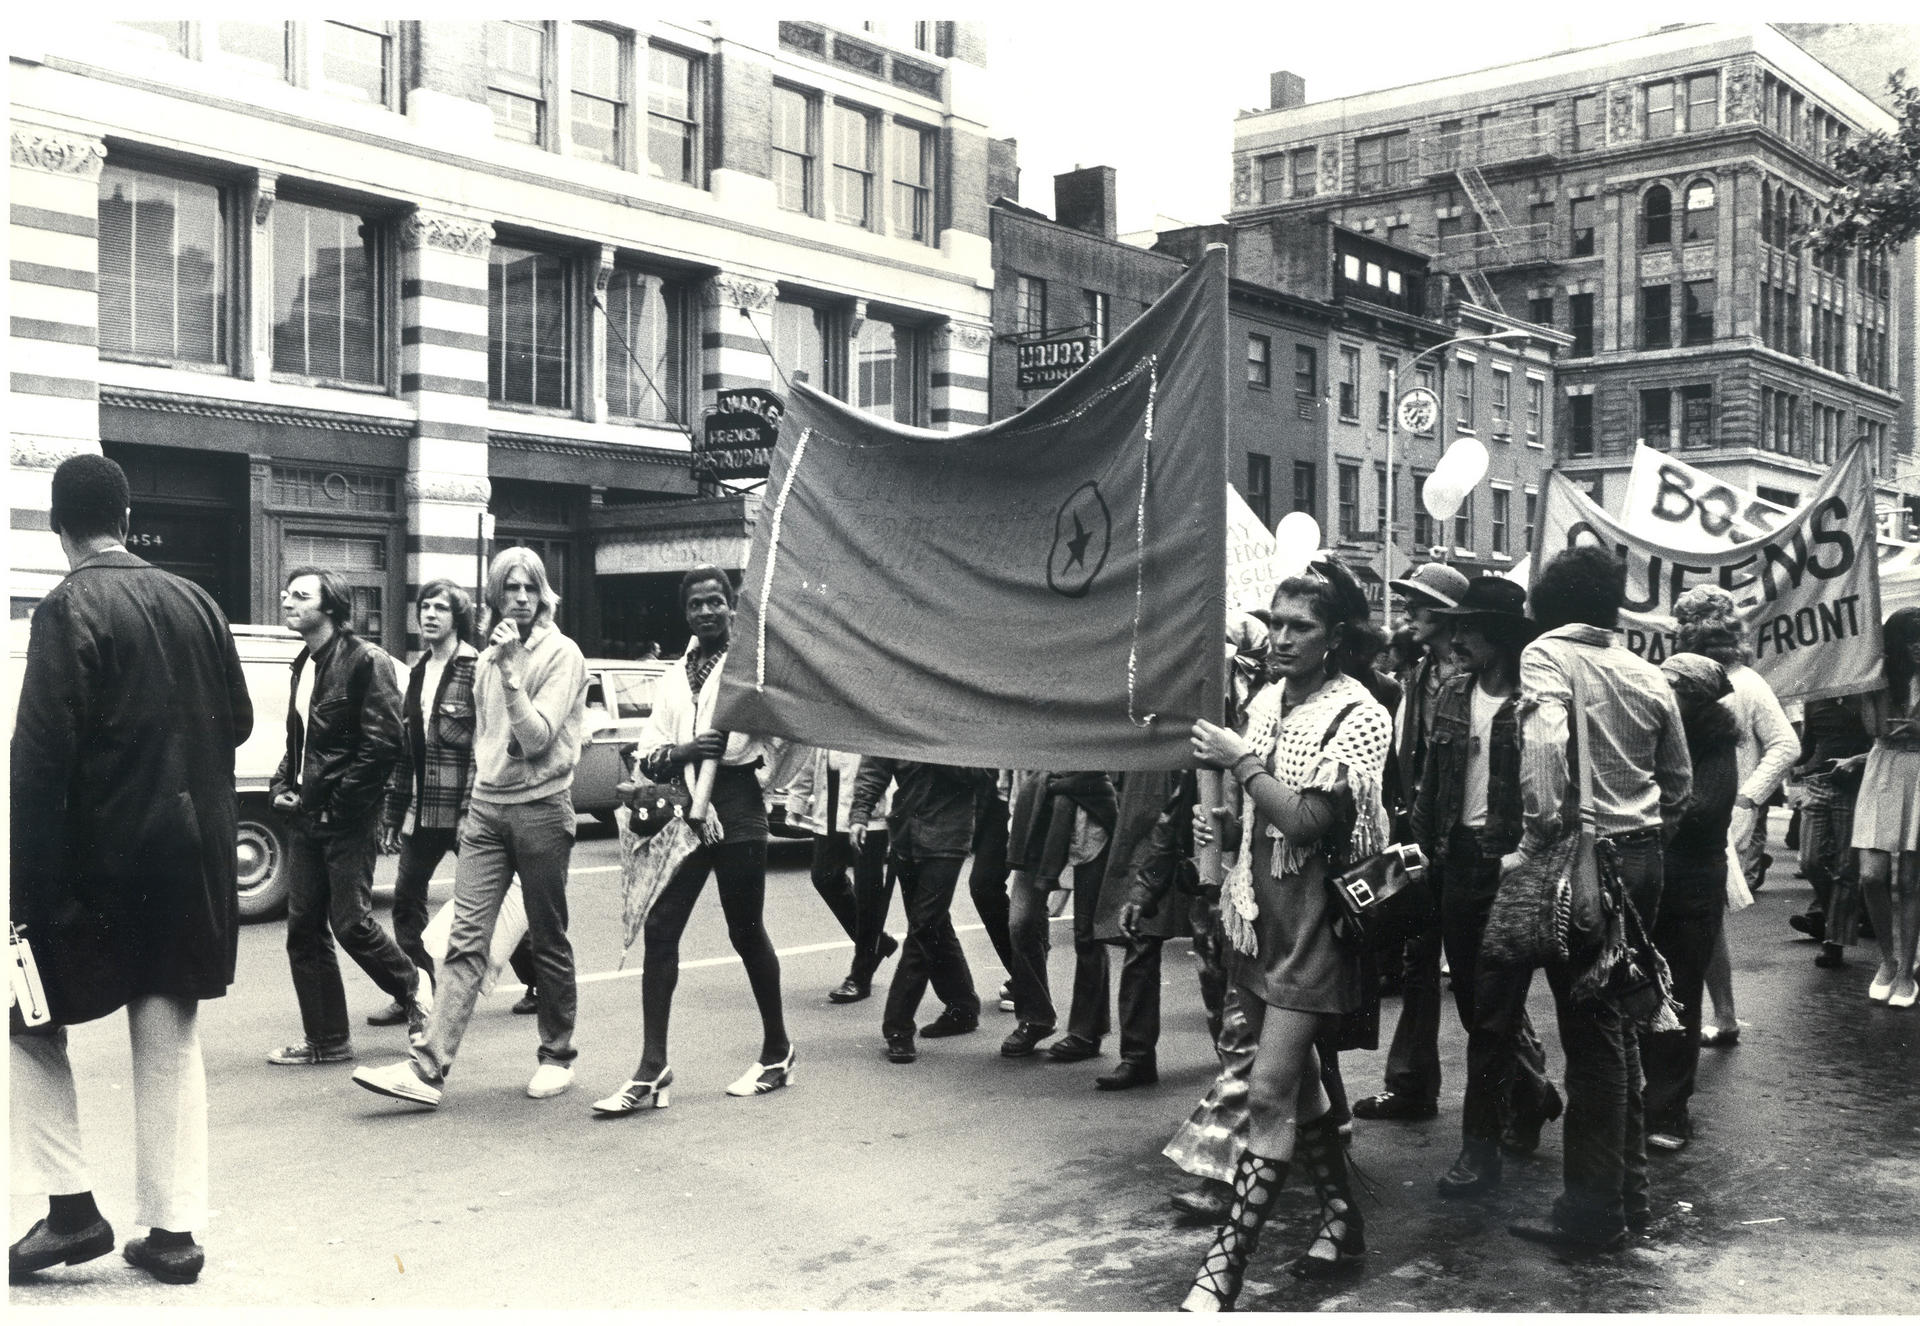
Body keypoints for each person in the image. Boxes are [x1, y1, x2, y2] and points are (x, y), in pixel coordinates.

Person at [11, 453, 251, 1286]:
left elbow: (39, 762)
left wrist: (21, 896)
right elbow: (240, 722)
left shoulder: (67, 608)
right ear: (126, 513)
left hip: (97, 865)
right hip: (191, 862)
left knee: (26, 1018)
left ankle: (71, 1206)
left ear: (56, 526)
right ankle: (173, 1231)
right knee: (167, 1033)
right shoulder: (198, 602)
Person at [1180, 558, 1393, 1310]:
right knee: (1297, 1090)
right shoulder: (1267, 699)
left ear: (1336, 637)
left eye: (1299, 627)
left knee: (1267, 1094)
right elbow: (1266, 821)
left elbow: (1307, 819)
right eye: (1274, 622)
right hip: (1257, 917)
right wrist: (1229, 820)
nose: (1280, 638)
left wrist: (1239, 765)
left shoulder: (1362, 714)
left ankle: (1220, 1275)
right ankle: (1341, 1221)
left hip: (1314, 927)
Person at [1503, 545, 1691, 1252]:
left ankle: (1592, 1214)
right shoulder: (1646, 670)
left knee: (1592, 1039)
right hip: (1641, 852)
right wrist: (1645, 833)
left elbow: (1546, 748)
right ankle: (1629, 1197)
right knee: (1617, 1020)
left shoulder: (1547, 655)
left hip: (1582, 859)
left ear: (1550, 603)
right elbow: (1678, 781)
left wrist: (1538, 830)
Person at [352, 547, 588, 1108]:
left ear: (545, 593)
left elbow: (534, 740)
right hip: (486, 808)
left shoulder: (561, 655)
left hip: (541, 807)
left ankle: (557, 1055)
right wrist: (469, 807)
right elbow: (484, 746)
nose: (523, 599)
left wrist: (511, 674)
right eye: (511, 589)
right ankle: (427, 1070)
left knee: (548, 935)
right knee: (464, 940)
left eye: (531, 588)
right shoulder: (484, 660)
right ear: (495, 597)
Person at [586, 565, 793, 1113]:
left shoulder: (751, 666)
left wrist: (755, 770)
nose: (707, 611)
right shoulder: (676, 674)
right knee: (661, 927)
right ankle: (653, 1067)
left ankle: (777, 1051)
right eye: (697, 604)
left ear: (733, 607)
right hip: (684, 809)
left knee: (746, 930)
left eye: (716, 602)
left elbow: (786, 735)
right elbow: (651, 751)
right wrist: (683, 753)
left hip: (738, 808)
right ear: (687, 613)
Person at [1411, 577, 1561, 1198]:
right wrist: (1421, 850)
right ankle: (1532, 1094)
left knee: (1494, 1012)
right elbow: (1431, 778)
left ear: (1501, 636)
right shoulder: (1450, 690)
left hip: (1513, 864)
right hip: (1455, 860)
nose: (1457, 637)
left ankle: (1481, 1150)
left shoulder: (1535, 702)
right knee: (1477, 1006)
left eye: (1470, 627)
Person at [267, 567, 426, 1065]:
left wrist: (339, 806)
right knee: (304, 930)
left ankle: (416, 989)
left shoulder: (365, 661)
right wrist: (281, 785)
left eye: (301, 595)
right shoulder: (304, 663)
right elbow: (301, 741)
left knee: (352, 923)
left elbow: (382, 746)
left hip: (346, 816)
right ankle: (328, 1040)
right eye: (288, 593)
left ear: (331, 607)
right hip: (306, 815)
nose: (288, 600)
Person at [1355, 561, 1468, 1125]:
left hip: (1467, 847)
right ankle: (1411, 1087)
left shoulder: (1475, 677)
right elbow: (1405, 762)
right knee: (1419, 963)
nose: (1407, 615)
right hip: (1420, 840)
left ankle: (1525, 1085)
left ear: (1446, 614)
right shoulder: (1419, 676)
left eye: (1416, 605)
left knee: (1477, 981)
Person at [1672, 586, 1797, 1048]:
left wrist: (1747, 796)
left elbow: (1787, 743)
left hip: (1716, 814)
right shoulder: (1701, 678)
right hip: (1702, 810)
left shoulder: (1743, 681)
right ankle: (1722, 1015)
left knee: (1699, 918)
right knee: (1705, 920)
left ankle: (1715, 1016)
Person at [371, 581, 480, 1026]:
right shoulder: (416, 671)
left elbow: (482, 747)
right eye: (425, 607)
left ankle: (535, 980)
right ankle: (416, 990)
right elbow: (405, 749)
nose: (430, 614)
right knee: (406, 901)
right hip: (424, 809)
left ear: (458, 617)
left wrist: (469, 812)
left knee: (483, 905)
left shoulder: (474, 667)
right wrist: (393, 816)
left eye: (441, 608)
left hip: (462, 811)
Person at [1642, 654, 1739, 1152]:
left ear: (1695, 699)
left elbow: (1703, 810)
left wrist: (1640, 809)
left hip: (1691, 881)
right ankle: (1644, 1099)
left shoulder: (1716, 744)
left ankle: (1669, 1109)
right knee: (1637, 991)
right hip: (1647, 875)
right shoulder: (1650, 733)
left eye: (1671, 688)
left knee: (1677, 992)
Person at [849, 758, 993, 1064]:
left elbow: (983, 774)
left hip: (948, 835)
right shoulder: (903, 717)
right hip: (906, 833)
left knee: (924, 927)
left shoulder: (963, 719)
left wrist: (935, 751)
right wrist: (860, 813)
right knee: (934, 925)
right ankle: (963, 1007)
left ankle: (897, 1027)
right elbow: (876, 764)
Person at [1001, 770, 1117, 1062]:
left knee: (1087, 932)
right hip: (1038, 812)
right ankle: (1036, 1017)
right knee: (1021, 922)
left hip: (1090, 814)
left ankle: (1087, 1031)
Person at [1844, 606, 1920, 1008]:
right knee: (1871, 875)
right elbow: (1874, 729)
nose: (1919, 647)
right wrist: (1869, 681)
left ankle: (1907, 970)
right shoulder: (1878, 677)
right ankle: (1887, 961)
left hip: (1919, 769)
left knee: (1910, 879)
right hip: (1883, 767)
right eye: (1911, 639)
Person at [786, 746, 900, 1002]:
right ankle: (877, 944)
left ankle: (860, 977)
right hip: (829, 809)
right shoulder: (825, 715)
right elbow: (809, 758)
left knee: (868, 893)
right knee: (824, 876)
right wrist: (798, 800)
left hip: (870, 813)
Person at [1792, 696, 1874, 967]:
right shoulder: (1816, 699)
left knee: (1846, 869)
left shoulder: (1866, 695)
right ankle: (1836, 919)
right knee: (1809, 862)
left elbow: (1880, 744)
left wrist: (1857, 761)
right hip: (1817, 783)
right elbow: (1808, 745)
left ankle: (1834, 941)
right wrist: (1796, 766)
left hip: (1852, 786)